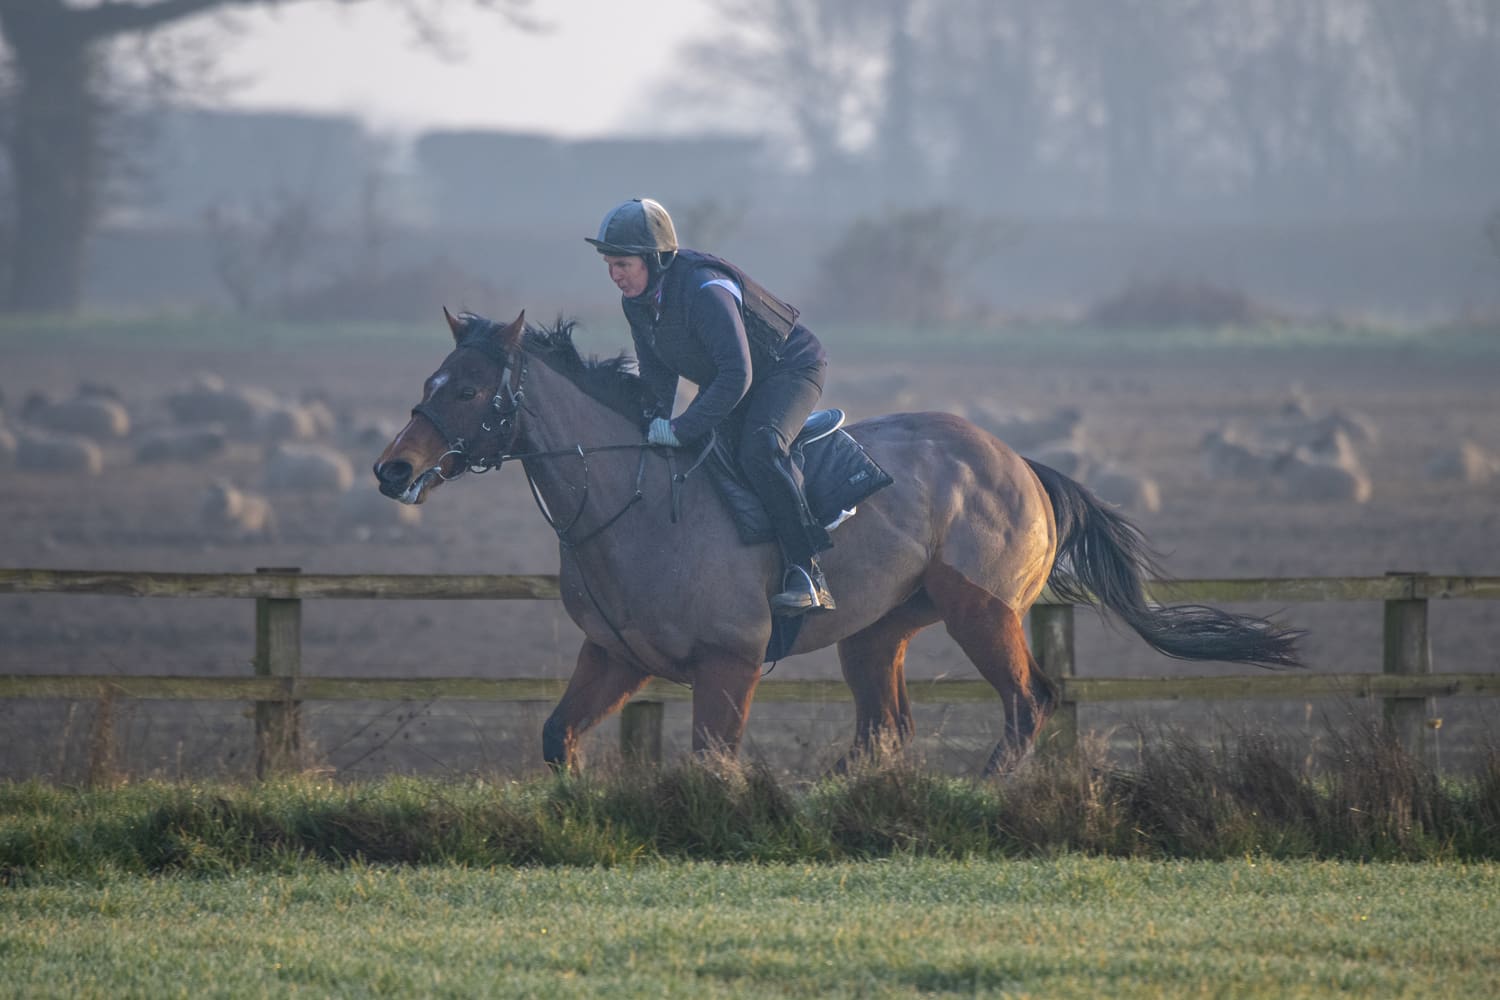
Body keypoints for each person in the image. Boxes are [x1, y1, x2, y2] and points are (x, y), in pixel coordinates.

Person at [586, 197, 835, 615]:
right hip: (737, 378)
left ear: (654, 258)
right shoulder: (636, 303)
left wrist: (681, 428)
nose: (614, 276)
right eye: (609, 264)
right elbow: (657, 377)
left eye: (622, 265)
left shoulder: (705, 290)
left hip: (789, 369)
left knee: (760, 448)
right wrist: (652, 423)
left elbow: (737, 376)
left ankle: (809, 574)